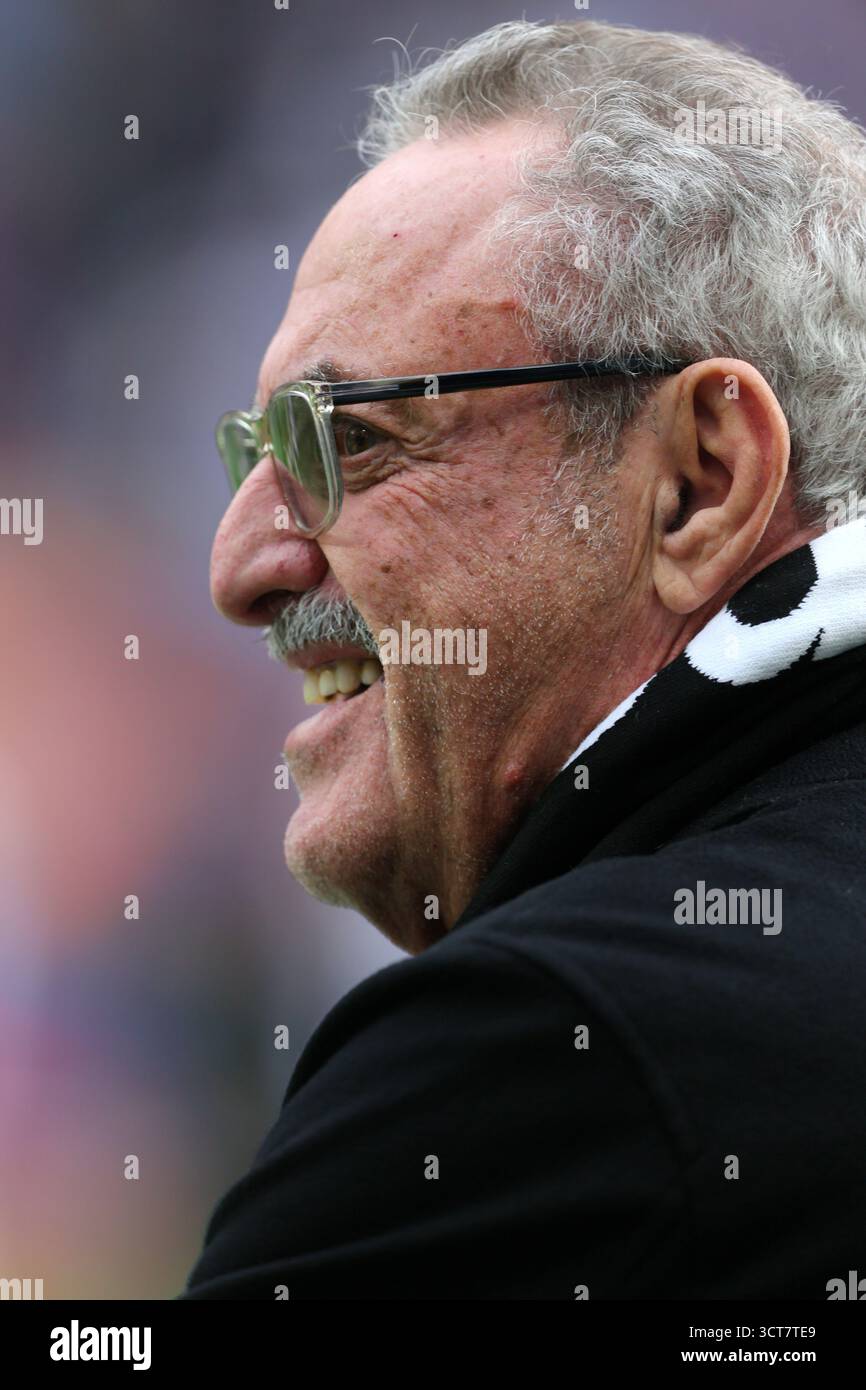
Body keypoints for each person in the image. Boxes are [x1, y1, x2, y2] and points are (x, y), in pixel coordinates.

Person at [181, 20, 866, 1298]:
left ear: (699, 485)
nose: (241, 568)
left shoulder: (544, 1053)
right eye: (252, 455)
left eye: (352, 443)